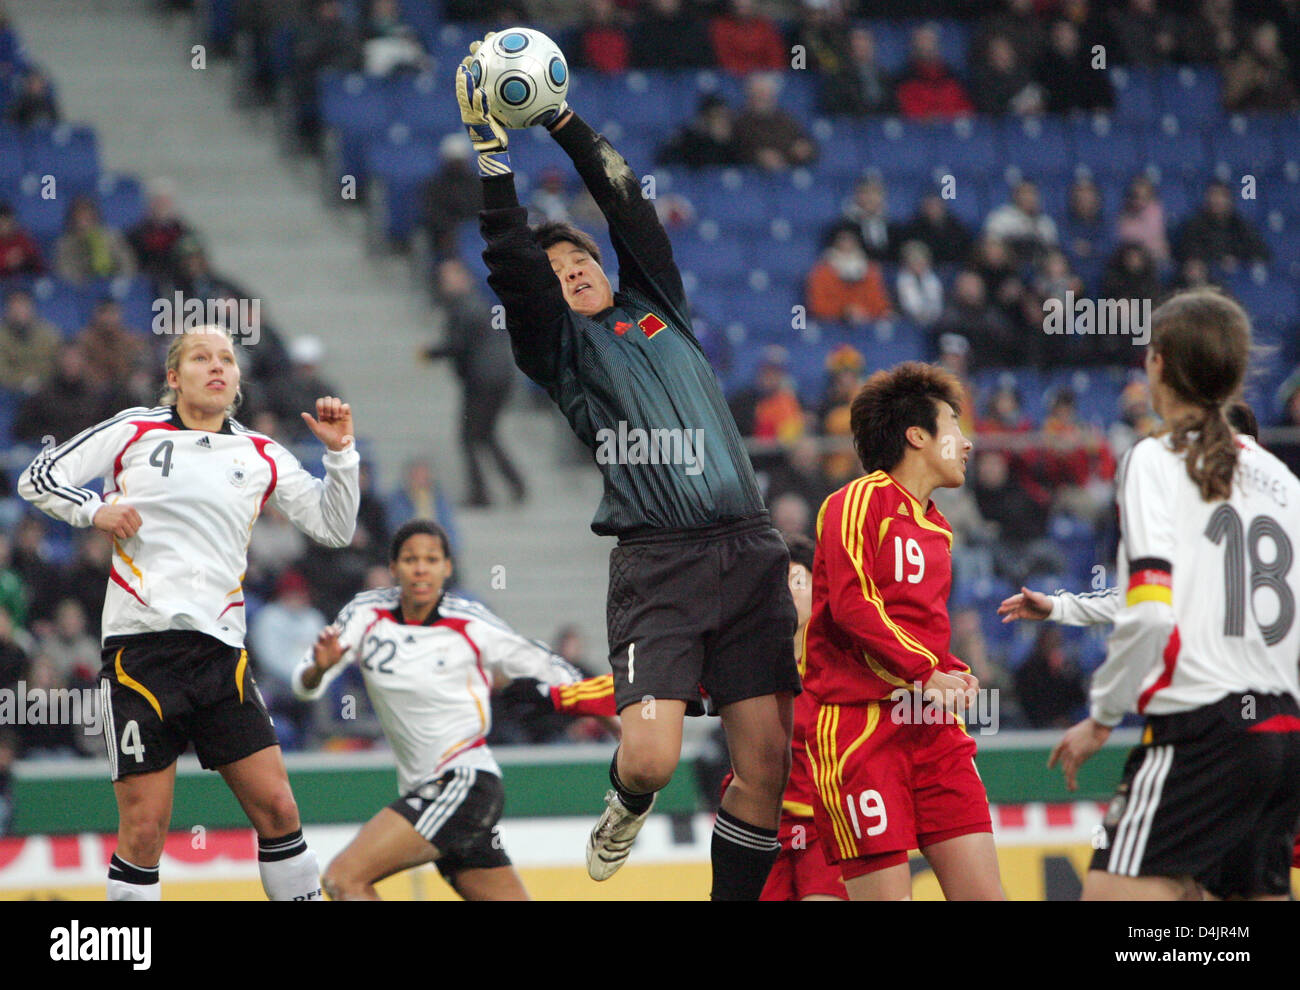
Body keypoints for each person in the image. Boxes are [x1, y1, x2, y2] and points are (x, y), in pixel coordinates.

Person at [457, 35, 800, 900]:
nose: (572, 272)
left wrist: (563, 123)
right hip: (661, 564)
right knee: (649, 759)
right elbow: (513, 272)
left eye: (582, 262)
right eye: (557, 270)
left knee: (768, 767)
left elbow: (626, 203)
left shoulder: (660, 310)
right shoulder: (560, 353)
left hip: (751, 549)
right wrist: (494, 162)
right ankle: (624, 803)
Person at [16, 324, 361, 901]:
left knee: (278, 809)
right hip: (139, 657)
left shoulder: (258, 453)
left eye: (227, 358)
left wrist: (341, 454)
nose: (218, 367)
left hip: (220, 656)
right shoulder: (134, 429)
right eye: (201, 357)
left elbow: (335, 526)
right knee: (145, 830)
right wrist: (93, 509)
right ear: (174, 377)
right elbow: (38, 476)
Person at [1046, 290, 1300, 900]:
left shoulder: (1153, 461)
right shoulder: (1285, 480)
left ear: (1156, 362)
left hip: (1203, 734)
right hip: (1284, 734)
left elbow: (1152, 612)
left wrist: (1102, 719)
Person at [294, 520, 611, 900]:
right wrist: (319, 668)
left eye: (432, 558)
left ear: (447, 567)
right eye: (410, 559)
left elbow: (551, 669)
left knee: (343, 879)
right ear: (393, 568)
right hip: (432, 792)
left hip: (462, 783)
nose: (421, 568)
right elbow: (306, 685)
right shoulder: (366, 613)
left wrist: (615, 719)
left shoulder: (471, 623)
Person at [803, 362, 1003, 900]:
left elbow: (920, 629)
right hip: (861, 730)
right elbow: (853, 605)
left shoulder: (938, 525)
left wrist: (951, 670)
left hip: (932, 729)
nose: (966, 443)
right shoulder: (857, 501)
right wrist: (924, 673)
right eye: (955, 428)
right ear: (917, 436)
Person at [757, 533, 847, 901]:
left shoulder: (848, 661)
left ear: (820, 587)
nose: (786, 593)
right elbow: (662, 686)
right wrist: (565, 695)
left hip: (828, 827)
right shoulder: (742, 662)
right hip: (758, 829)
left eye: (797, 581)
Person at [422, 258, 527, 507]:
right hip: (494, 376)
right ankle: (514, 483)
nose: (445, 284)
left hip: (483, 379)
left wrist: (430, 353)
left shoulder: (464, 306)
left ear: (464, 279)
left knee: (470, 437)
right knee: (485, 434)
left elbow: (459, 344)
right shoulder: (476, 304)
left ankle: (481, 493)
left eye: (450, 278)